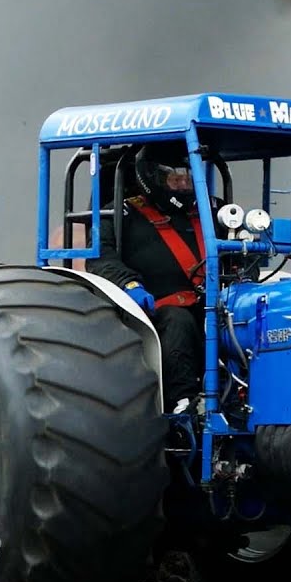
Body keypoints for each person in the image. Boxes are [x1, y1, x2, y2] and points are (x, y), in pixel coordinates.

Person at [92, 142, 210, 414]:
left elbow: (243, 254)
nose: (182, 186)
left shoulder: (209, 214)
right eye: (175, 179)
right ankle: (183, 405)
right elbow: (101, 259)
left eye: (187, 179)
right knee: (177, 320)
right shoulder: (119, 215)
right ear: (152, 178)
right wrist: (128, 284)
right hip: (151, 311)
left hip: (212, 305)